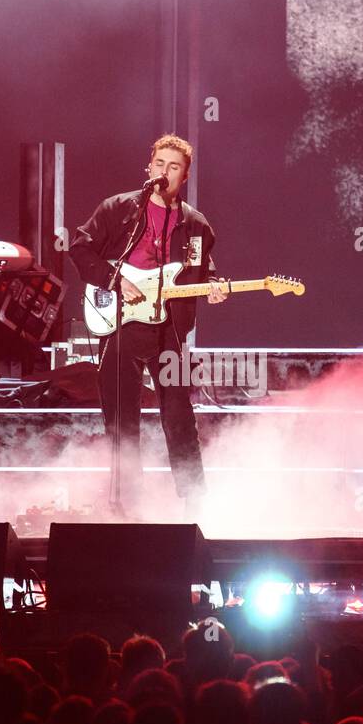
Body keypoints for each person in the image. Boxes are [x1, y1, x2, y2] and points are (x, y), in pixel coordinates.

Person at [68, 134, 229, 514]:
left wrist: (215, 288)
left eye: (173, 167)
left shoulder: (196, 225)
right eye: (159, 164)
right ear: (149, 167)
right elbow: (80, 247)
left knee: (178, 413)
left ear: (184, 176)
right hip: (123, 321)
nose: (164, 172)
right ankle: (126, 500)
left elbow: (203, 271)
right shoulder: (119, 208)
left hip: (169, 328)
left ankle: (194, 498)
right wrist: (113, 278)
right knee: (122, 415)